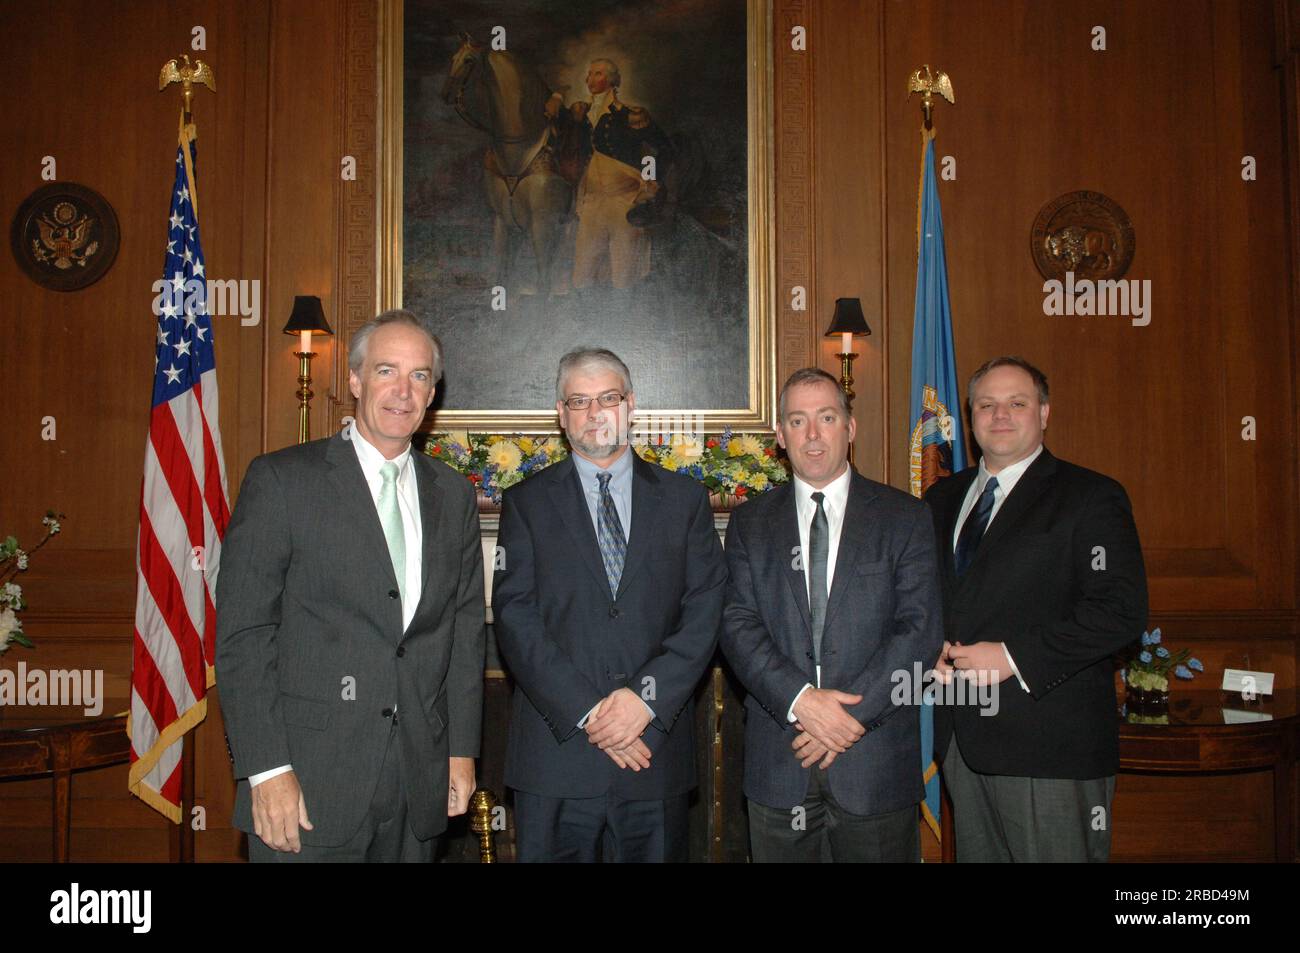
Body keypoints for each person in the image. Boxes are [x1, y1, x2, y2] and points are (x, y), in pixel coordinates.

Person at [216, 309, 485, 862]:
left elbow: (461, 634)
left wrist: (460, 751)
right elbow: (245, 635)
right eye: (387, 371)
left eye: (419, 376)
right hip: (306, 783)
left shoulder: (453, 495)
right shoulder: (282, 480)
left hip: (417, 782)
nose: (403, 391)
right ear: (356, 381)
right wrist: (265, 769)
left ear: (433, 393)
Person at [492, 347, 725, 862]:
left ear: (631, 404)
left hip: (653, 756)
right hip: (556, 762)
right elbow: (514, 618)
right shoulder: (526, 503)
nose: (595, 412)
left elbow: (705, 611)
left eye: (608, 398)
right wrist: (593, 711)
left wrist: (642, 701)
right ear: (560, 413)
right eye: (579, 400)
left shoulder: (684, 500)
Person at [926, 356, 1148, 862]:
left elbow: (1121, 609)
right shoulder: (942, 499)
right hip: (963, 741)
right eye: (987, 404)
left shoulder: (1091, 496)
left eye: (1017, 403)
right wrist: (927, 647)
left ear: (1044, 414)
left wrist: (1012, 656)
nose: (1000, 415)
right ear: (970, 417)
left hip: (1051, 745)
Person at [720, 367, 943, 862]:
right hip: (781, 762)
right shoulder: (750, 524)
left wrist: (846, 717)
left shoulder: (905, 517)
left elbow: (920, 631)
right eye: (798, 422)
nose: (813, 435)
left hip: (875, 762)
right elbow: (736, 625)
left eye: (826, 417)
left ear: (851, 427)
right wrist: (801, 701)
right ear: (780, 436)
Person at [545, 59, 671, 289]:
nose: (590, 79)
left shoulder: (629, 115)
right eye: (589, 74)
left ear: (612, 80)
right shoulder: (580, 114)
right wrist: (557, 96)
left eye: (598, 74)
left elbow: (662, 147)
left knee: (623, 275)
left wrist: (650, 182)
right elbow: (557, 128)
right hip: (592, 201)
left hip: (624, 200)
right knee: (582, 275)